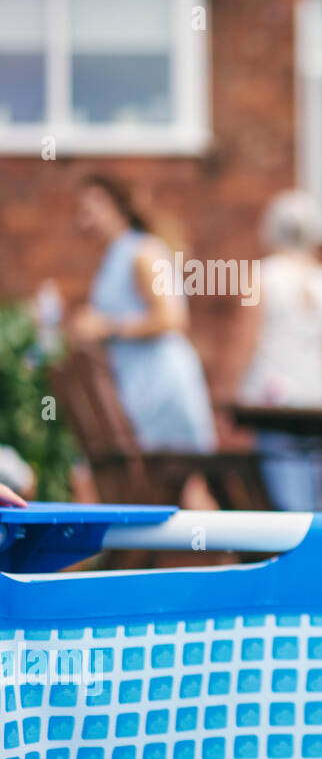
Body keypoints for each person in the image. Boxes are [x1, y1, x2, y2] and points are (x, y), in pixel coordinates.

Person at [65, 175, 219, 513]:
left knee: (186, 484)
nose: (83, 219)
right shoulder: (115, 257)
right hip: (138, 387)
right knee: (167, 487)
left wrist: (106, 326)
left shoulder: (143, 251)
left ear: (116, 207)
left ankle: (223, 557)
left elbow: (173, 318)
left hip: (163, 387)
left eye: (91, 208)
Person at [232, 191, 322, 511]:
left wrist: (231, 398)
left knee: (283, 496)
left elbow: (246, 342)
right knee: (314, 490)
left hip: (272, 402)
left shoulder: (262, 276)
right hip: (317, 400)